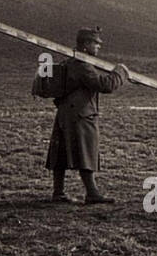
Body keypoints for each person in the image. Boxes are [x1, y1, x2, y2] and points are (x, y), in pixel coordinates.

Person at [46, 27, 129, 204]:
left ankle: (58, 192)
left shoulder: (71, 63)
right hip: (81, 115)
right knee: (86, 151)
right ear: (85, 45)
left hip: (66, 113)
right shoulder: (82, 66)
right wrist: (120, 72)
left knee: (61, 153)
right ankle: (92, 193)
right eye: (96, 44)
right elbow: (104, 84)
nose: (99, 47)